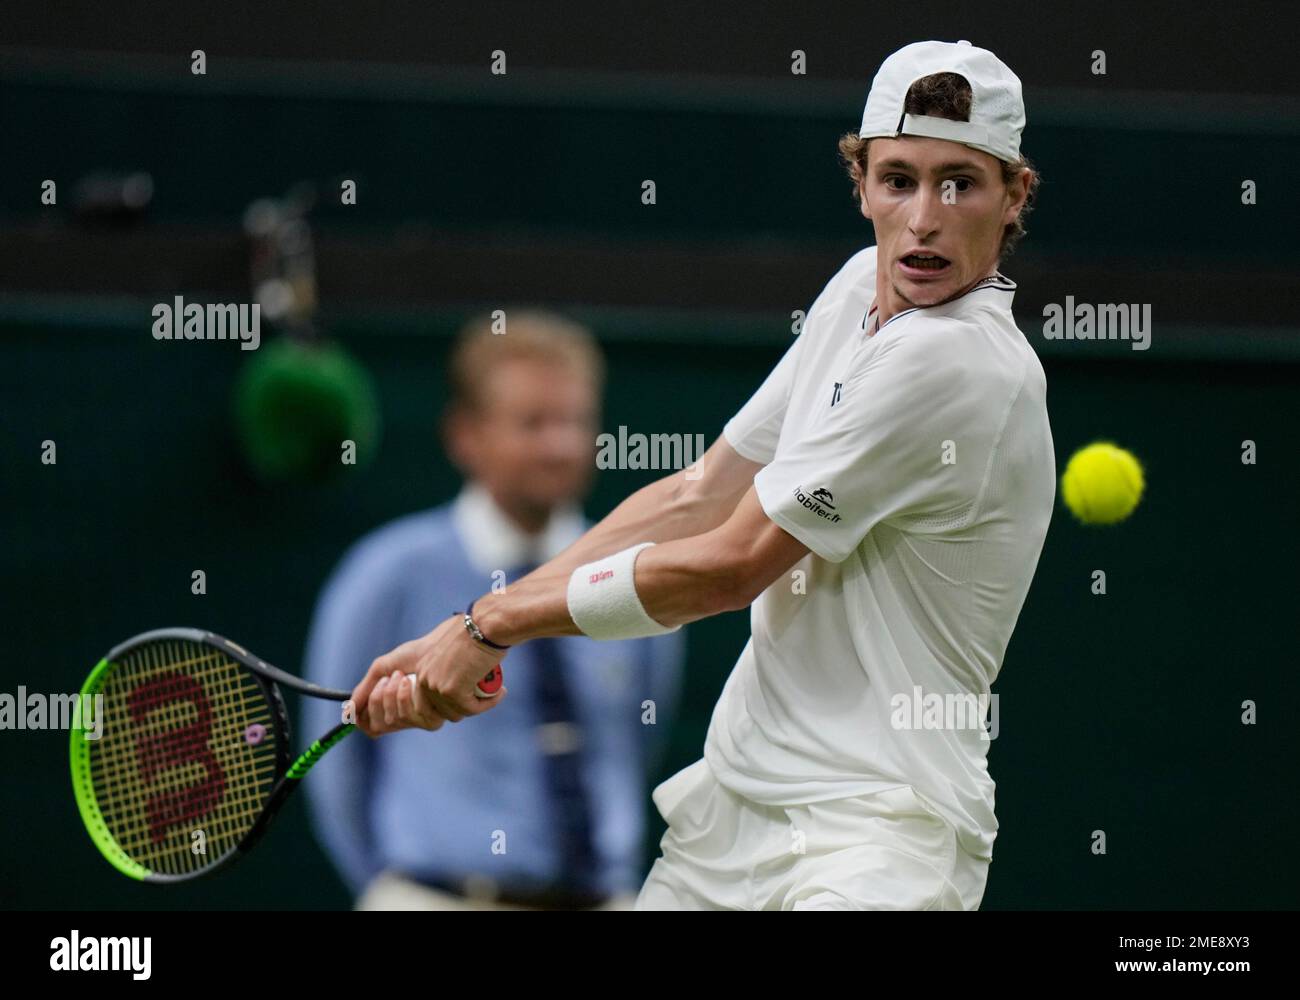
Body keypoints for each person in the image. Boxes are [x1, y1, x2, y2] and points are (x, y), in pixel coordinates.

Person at [351, 39, 1053, 911]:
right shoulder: (851, 295)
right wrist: (470, 626)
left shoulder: (960, 363)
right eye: (899, 178)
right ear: (862, 183)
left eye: (960, 182)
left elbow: (730, 561)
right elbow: (698, 495)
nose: (923, 217)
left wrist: (492, 623)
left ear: (1015, 193)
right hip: (734, 814)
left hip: (880, 836)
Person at [302, 310, 685, 910]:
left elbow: (641, 741)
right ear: (465, 436)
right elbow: (338, 764)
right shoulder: (385, 575)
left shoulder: (636, 578)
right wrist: (398, 890)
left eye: (575, 421)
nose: (559, 445)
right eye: (532, 423)